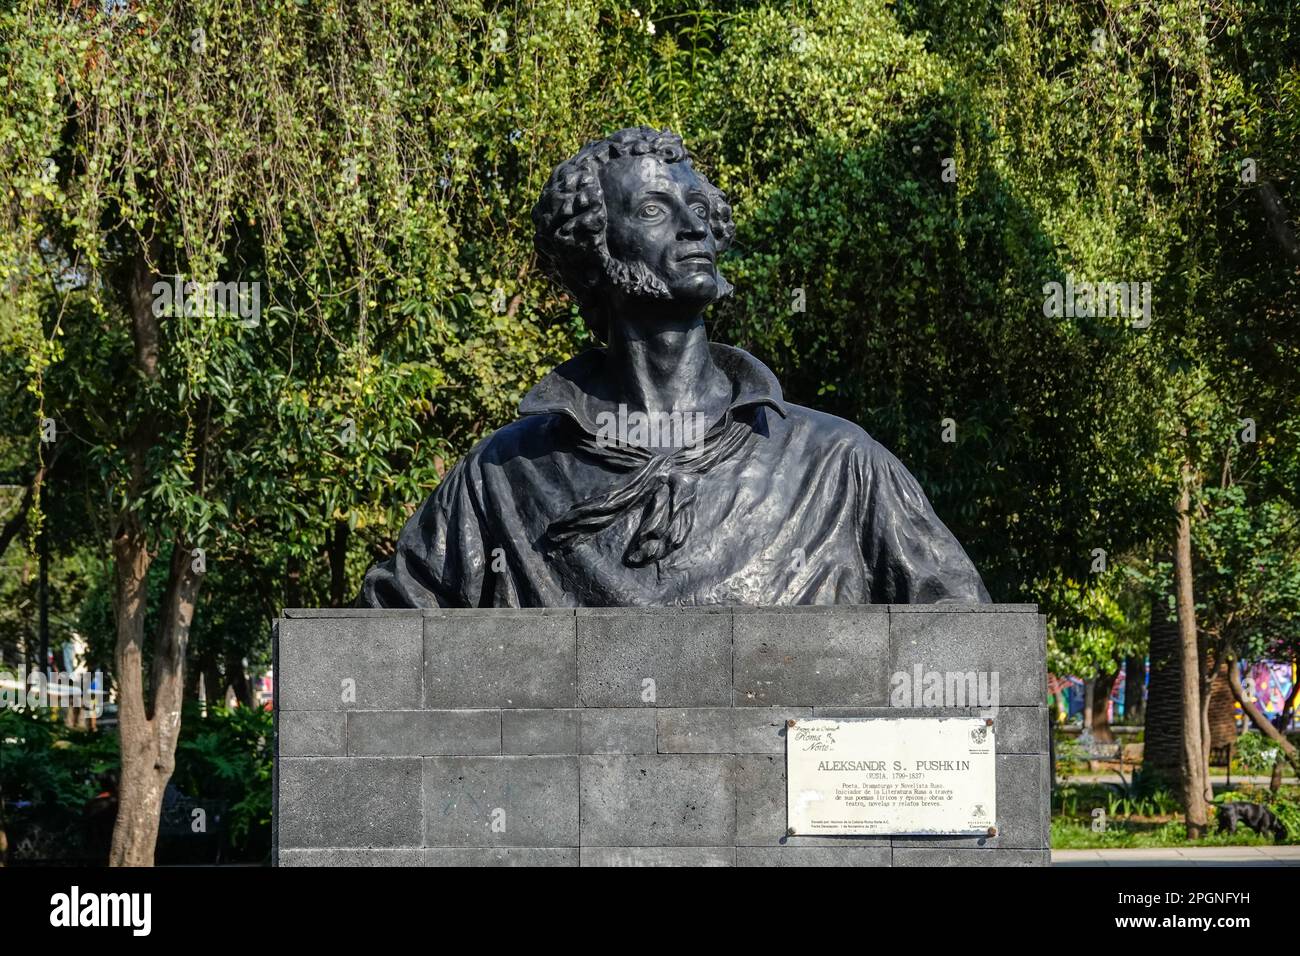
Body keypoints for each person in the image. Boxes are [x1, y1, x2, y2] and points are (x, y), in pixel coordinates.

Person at [358, 127, 989, 608]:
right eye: (657, 210)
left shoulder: (836, 468)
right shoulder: (504, 481)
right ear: (595, 253)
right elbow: (378, 651)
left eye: (698, 208)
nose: (696, 229)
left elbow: (965, 641)